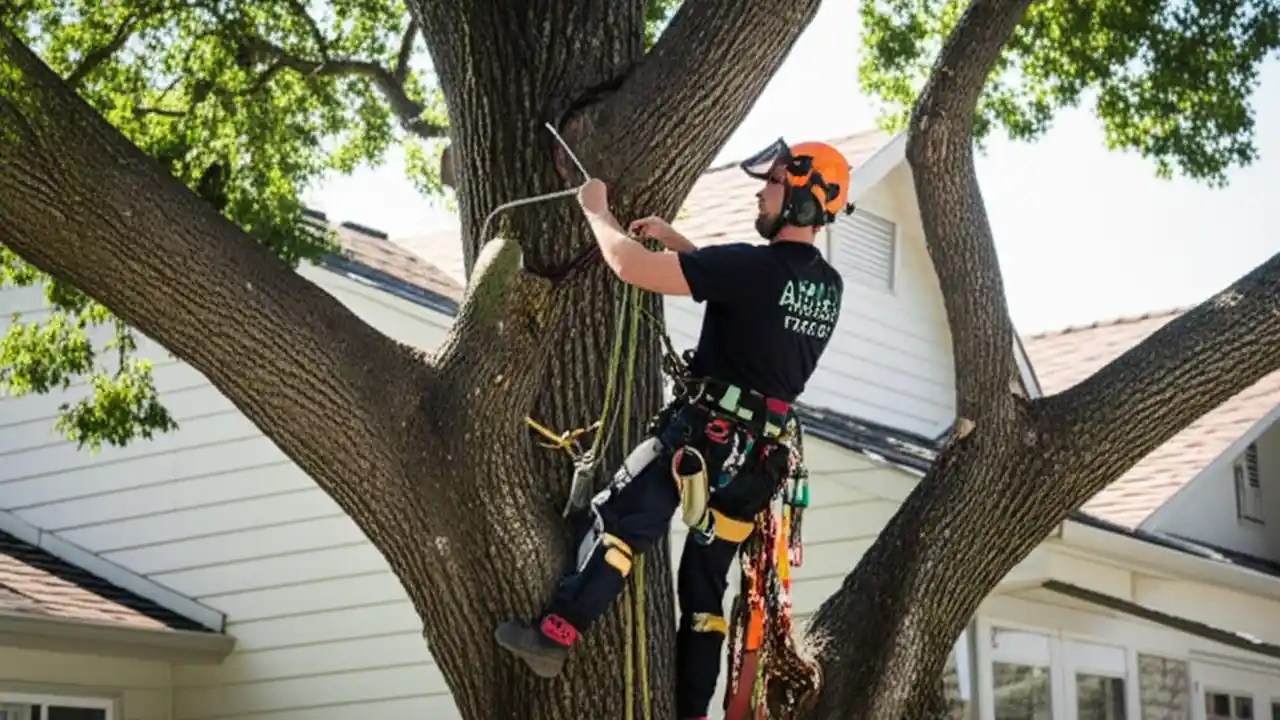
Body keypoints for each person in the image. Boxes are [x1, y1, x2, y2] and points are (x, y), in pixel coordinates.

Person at [495, 138, 851, 720]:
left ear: (801, 201)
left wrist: (595, 209)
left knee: (620, 522)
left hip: (703, 440)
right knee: (704, 592)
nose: (760, 194)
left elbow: (629, 266)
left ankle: (555, 635)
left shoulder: (749, 268)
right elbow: (751, 298)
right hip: (757, 464)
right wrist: (681, 245)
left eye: (773, 186)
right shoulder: (826, 289)